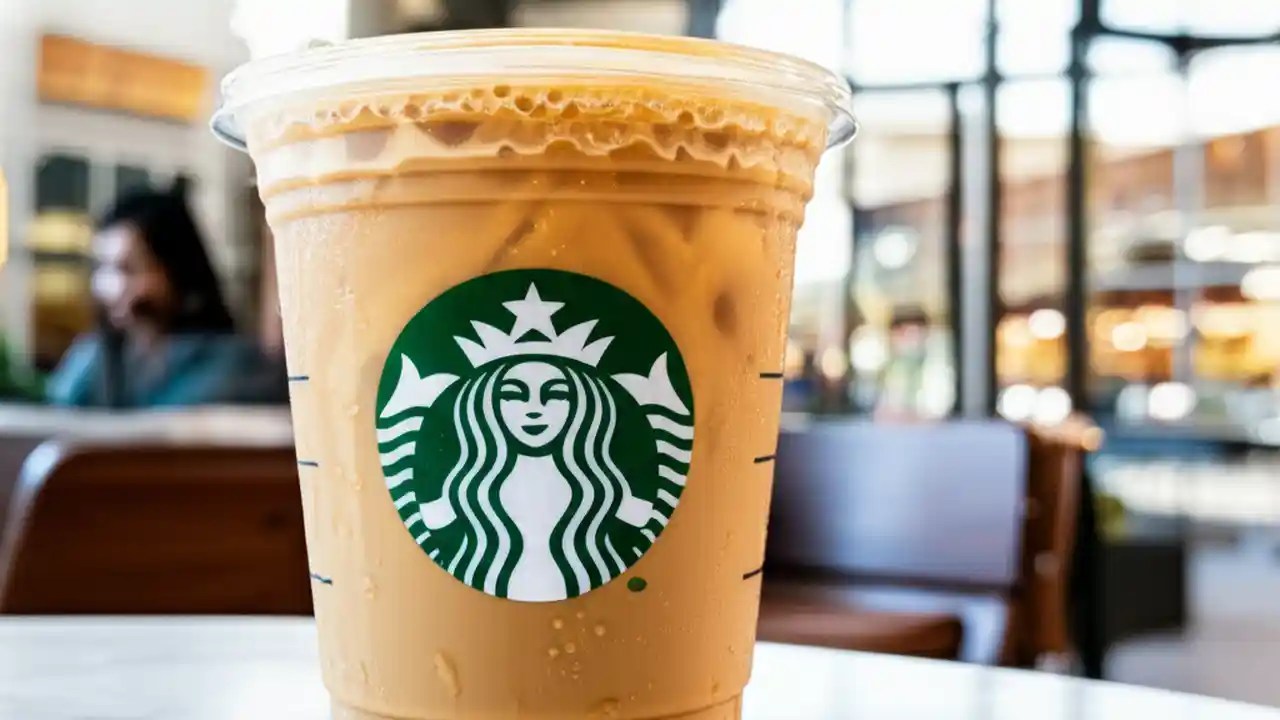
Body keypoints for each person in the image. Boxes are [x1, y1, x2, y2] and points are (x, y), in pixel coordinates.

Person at [47, 179, 286, 408]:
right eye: (102, 268)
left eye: (128, 270)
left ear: (177, 271)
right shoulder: (96, 358)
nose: (110, 288)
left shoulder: (233, 369)